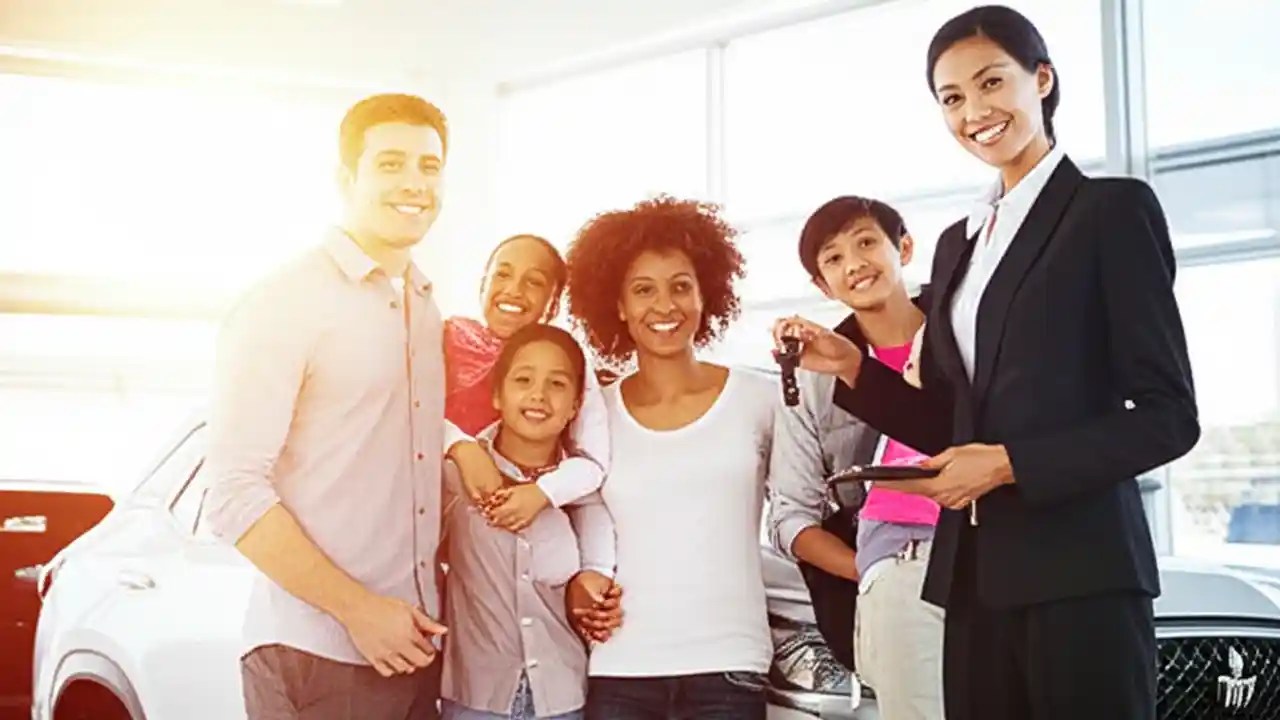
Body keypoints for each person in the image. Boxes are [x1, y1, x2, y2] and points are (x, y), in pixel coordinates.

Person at [774, 6, 1199, 719]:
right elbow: (954, 424)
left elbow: (1167, 419)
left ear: (1042, 79)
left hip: (1079, 576)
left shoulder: (1109, 211)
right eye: (952, 98)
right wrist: (853, 367)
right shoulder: (959, 246)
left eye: (991, 82)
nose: (975, 111)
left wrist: (1007, 465)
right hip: (972, 583)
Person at [203, 93, 504, 719]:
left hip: (415, 648)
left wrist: (462, 445)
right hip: (321, 655)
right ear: (346, 180)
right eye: (390, 163)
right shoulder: (285, 300)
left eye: (429, 166)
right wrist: (359, 611)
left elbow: (388, 434)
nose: (415, 183)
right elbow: (232, 493)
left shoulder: (422, 305)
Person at [560, 196, 775, 720]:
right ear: (618, 306)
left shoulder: (760, 399)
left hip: (729, 666)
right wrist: (580, 589)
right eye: (643, 290)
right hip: (622, 668)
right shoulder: (592, 414)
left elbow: (800, 511)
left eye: (681, 286)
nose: (665, 306)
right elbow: (582, 522)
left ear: (707, 296)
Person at [768, 195, 943, 720]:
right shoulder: (814, 376)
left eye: (867, 243)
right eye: (834, 258)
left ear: (903, 248)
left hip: (995, 558)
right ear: (823, 286)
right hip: (897, 565)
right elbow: (790, 518)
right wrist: (871, 570)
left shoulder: (964, 333)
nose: (855, 264)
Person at [440, 323, 614, 720]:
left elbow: (597, 572)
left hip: (563, 699)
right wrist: (460, 446)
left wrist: (595, 582)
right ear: (498, 394)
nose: (538, 395)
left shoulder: (584, 493)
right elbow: (407, 420)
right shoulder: (454, 477)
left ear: (575, 405)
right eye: (523, 379)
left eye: (557, 383)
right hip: (475, 700)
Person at [443, 234, 611, 535]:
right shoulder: (446, 337)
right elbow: (409, 412)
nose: (513, 290)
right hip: (444, 511)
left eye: (533, 282)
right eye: (502, 274)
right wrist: (460, 446)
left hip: (537, 526)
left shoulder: (569, 359)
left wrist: (543, 492)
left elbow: (593, 461)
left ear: (554, 303)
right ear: (483, 284)